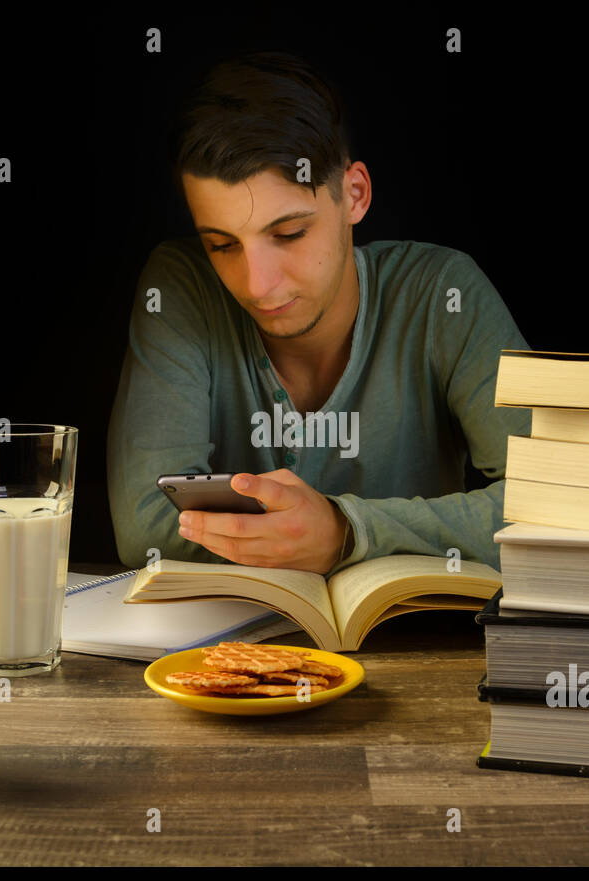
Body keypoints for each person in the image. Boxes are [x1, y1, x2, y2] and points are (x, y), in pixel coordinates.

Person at [107, 51, 531, 576]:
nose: (258, 285)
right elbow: (146, 526)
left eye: (289, 234)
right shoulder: (182, 286)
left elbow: (557, 506)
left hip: (422, 643)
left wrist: (345, 530)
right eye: (222, 245)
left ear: (353, 195)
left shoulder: (444, 291)